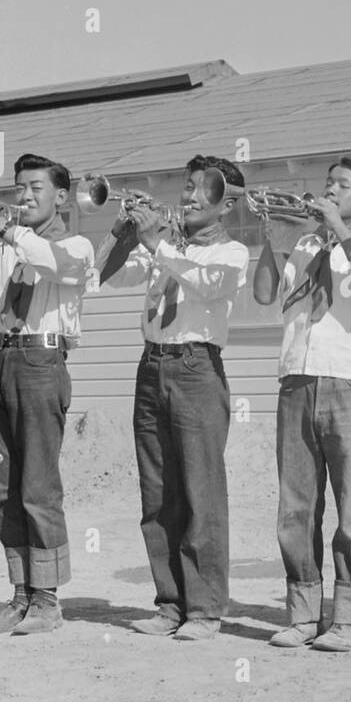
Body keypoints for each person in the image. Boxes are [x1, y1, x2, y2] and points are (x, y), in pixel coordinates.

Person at [95, 156, 249, 642]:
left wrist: (158, 243)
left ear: (228, 203)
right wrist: (123, 229)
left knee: (201, 493)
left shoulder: (232, 252)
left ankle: (204, 608)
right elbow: (107, 275)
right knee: (158, 493)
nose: (189, 197)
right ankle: (169, 602)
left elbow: (208, 287)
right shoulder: (160, 246)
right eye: (187, 187)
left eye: (204, 190)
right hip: (152, 365)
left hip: (196, 368)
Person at [253, 157, 351, 652]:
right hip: (295, 379)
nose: (331, 190)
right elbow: (265, 293)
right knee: (295, 506)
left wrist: (336, 226)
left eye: (344, 185)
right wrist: (272, 241)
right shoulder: (304, 244)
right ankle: (302, 613)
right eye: (329, 183)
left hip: (347, 382)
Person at [0, 155, 94, 637]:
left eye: (35, 187)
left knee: (37, 486)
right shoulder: (5, 244)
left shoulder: (76, 245)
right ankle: (20, 594)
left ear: (62, 196)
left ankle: (48, 600)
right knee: (1, 487)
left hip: (40, 363)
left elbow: (53, 264)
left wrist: (6, 229)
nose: (24, 196)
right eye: (19, 188)